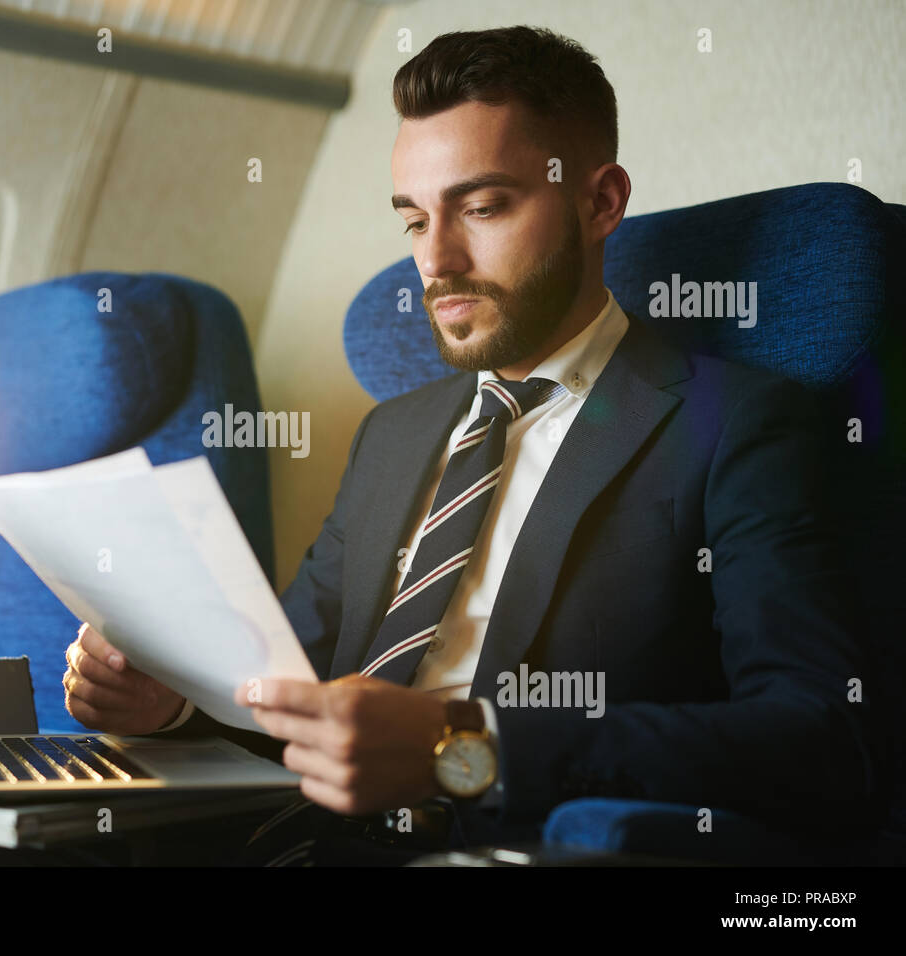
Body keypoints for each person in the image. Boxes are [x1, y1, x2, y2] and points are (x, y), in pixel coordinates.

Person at [63, 26, 884, 865]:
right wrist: (166, 702)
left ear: (600, 203)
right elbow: (289, 691)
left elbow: (826, 737)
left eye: (483, 207)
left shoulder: (738, 422)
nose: (436, 262)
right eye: (414, 221)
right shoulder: (394, 432)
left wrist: (463, 747)